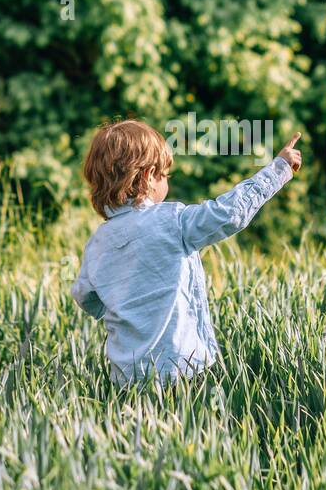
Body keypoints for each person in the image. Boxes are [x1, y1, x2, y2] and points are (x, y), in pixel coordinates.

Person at [72, 120, 302, 382]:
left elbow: (85, 296)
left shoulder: (98, 242)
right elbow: (229, 213)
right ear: (148, 176)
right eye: (165, 175)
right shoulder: (172, 222)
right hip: (182, 372)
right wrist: (278, 170)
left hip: (126, 378)